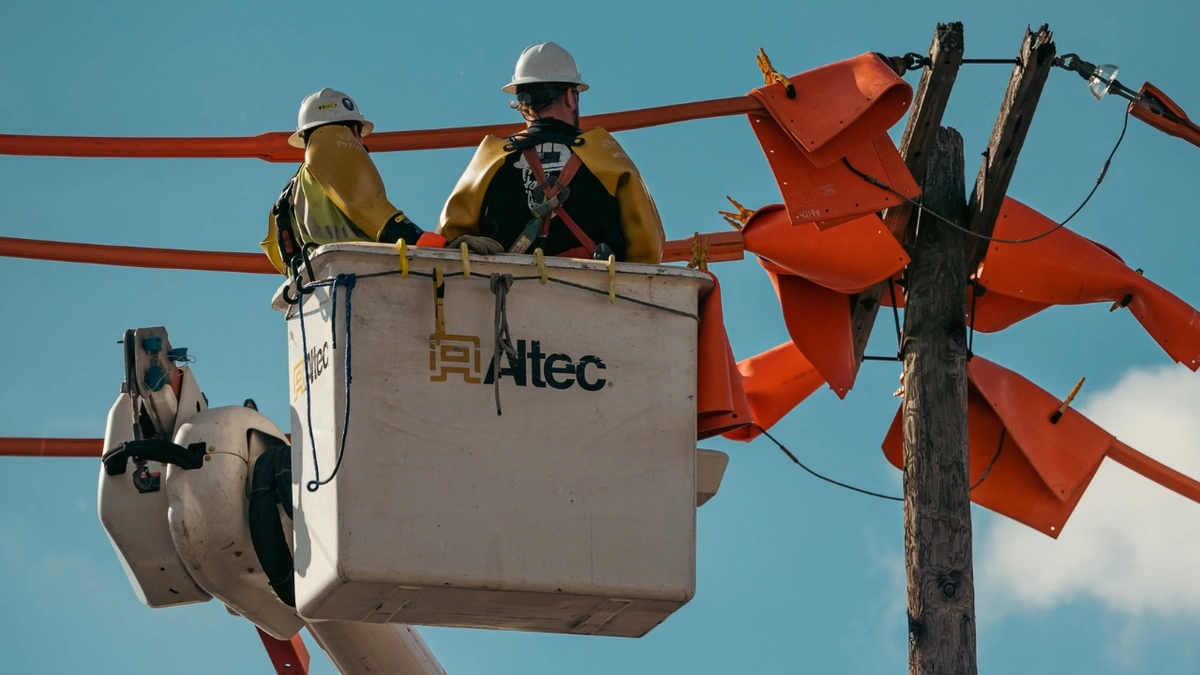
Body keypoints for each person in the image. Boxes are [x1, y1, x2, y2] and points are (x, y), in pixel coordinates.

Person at [437, 42, 665, 263]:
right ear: (569, 97)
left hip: (502, 292)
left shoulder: (491, 157)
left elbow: (449, 235)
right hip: (597, 293)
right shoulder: (606, 155)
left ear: (521, 103)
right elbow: (647, 245)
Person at [260, 88, 444, 275]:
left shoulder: (291, 192)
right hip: (363, 280)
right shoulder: (334, 150)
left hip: (323, 288)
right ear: (353, 130)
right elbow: (375, 212)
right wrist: (425, 241)